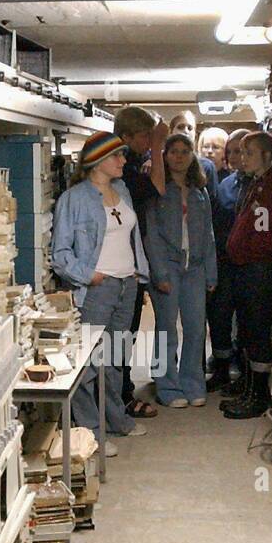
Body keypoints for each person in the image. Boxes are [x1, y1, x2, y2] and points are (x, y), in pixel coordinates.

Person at [51, 132, 151, 455]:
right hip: (97, 288)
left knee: (116, 358)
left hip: (126, 285)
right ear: (97, 161)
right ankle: (92, 432)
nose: (124, 161)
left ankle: (116, 420)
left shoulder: (121, 190)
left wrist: (138, 271)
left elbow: (132, 237)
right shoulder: (74, 199)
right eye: (117, 156)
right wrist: (89, 276)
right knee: (89, 363)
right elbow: (61, 253)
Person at [144, 134, 217, 408]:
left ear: (192, 156)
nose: (179, 156)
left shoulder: (200, 190)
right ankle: (167, 385)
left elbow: (209, 234)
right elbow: (151, 234)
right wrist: (159, 273)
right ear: (165, 156)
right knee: (166, 329)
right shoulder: (159, 189)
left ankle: (192, 384)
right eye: (173, 151)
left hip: (195, 268)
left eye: (185, 151)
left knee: (196, 328)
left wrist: (211, 272)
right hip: (169, 267)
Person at [221, 130, 272, 420]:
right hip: (246, 268)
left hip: (258, 270)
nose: (243, 158)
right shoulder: (254, 184)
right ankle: (248, 386)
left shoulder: (269, 189)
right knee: (247, 331)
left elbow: (267, 237)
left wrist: (247, 256)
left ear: (267, 157)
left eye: (249, 153)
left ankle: (258, 396)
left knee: (257, 332)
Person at [110, 106, 169, 421]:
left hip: (131, 267)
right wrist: (159, 146)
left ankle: (122, 393)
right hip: (122, 271)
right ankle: (119, 399)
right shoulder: (125, 173)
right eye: (145, 135)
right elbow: (158, 188)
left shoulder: (129, 168)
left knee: (126, 336)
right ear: (126, 136)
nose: (149, 140)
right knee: (121, 337)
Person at [206, 127, 252, 392]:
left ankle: (245, 372)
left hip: (248, 264)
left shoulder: (264, 185)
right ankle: (222, 369)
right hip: (224, 261)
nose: (236, 157)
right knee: (220, 316)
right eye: (232, 152)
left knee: (247, 320)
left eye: (241, 152)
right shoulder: (225, 185)